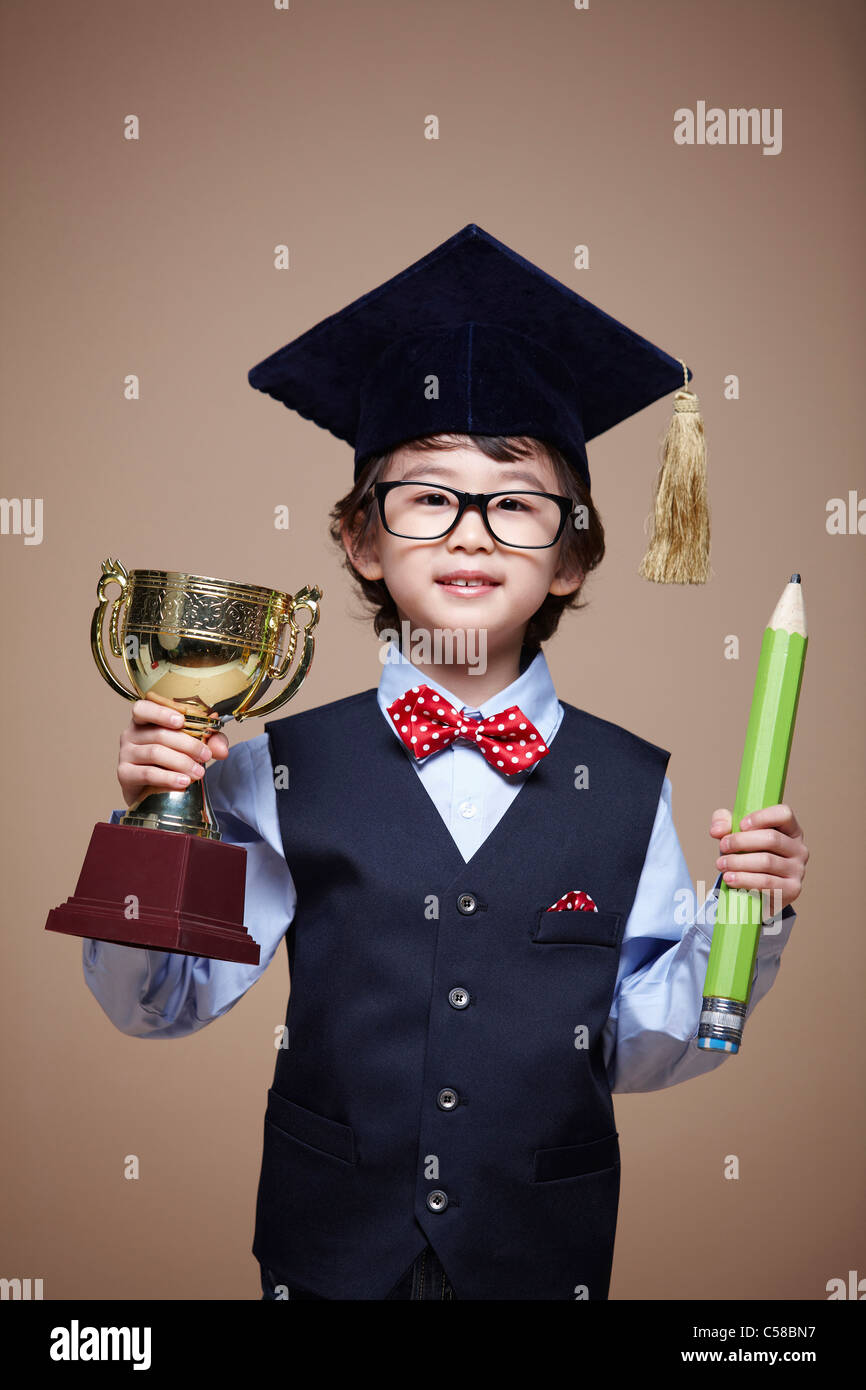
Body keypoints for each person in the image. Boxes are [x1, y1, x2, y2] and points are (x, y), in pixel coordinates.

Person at [83, 224, 808, 1301]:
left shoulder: (627, 783)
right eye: (428, 496)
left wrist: (745, 920)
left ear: (571, 555)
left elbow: (643, 1045)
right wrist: (153, 824)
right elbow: (156, 1004)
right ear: (360, 539)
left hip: (536, 1262)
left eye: (515, 503)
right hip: (327, 1258)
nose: (471, 532)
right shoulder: (270, 764)